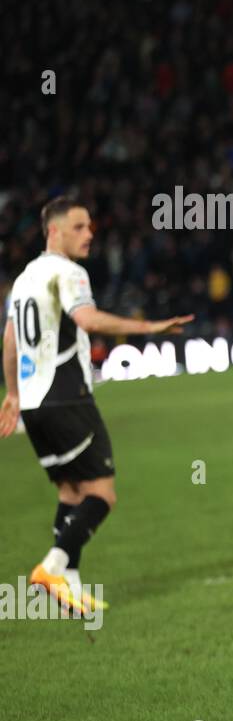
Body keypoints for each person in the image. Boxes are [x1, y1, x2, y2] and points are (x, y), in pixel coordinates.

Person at [0, 197, 193, 615]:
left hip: (34, 405)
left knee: (71, 492)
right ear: (53, 231)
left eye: (90, 227)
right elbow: (87, 321)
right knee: (103, 495)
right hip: (67, 396)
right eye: (79, 227)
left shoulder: (24, 279)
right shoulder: (69, 273)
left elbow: (11, 340)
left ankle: (68, 585)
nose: (89, 234)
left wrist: (13, 394)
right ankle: (52, 567)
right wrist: (150, 326)